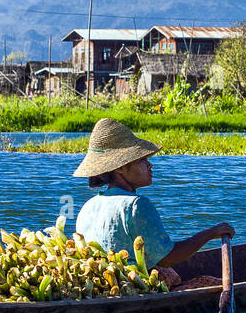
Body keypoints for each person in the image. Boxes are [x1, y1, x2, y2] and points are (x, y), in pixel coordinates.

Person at [73, 118, 234, 286]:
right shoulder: (135, 205)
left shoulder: (87, 206)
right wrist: (210, 233)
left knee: (169, 274)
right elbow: (167, 258)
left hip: (102, 284)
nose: (149, 165)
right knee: (214, 284)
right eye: (142, 160)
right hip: (133, 285)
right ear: (120, 168)